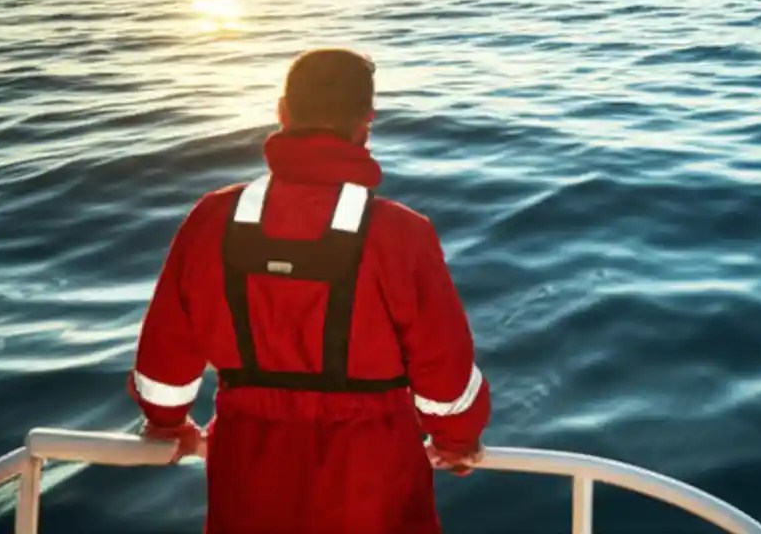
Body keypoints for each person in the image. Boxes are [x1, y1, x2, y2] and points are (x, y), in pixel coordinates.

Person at [128, 48, 490, 533]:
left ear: (283, 112)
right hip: (373, 478)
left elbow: (163, 360)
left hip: (248, 474)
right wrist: (455, 441)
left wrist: (168, 422)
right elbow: (445, 374)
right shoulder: (401, 234)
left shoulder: (211, 219)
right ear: (366, 123)